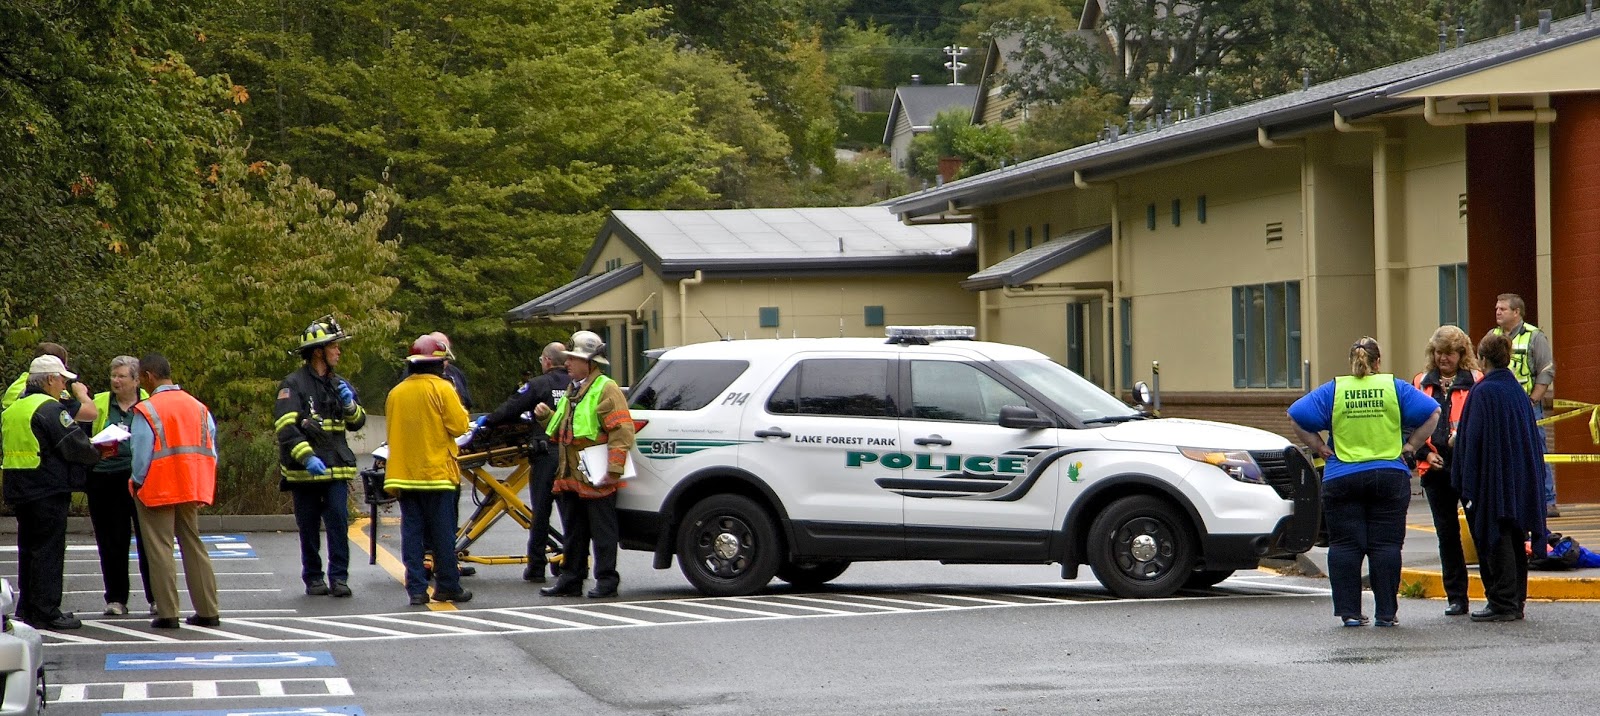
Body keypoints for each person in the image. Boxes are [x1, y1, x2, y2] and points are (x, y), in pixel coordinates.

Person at [1289, 337, 1439, 628]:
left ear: (1351, 362)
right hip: (1388, 474)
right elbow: (1433, 412)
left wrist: (1319, 446)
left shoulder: (1336, 389)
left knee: (1345, 545)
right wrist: (1411, 446)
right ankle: (1385, 613)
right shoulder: (1393, 388)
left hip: (1342, 476)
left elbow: (1296, 416)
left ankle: (1350, 613)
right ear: (1378, 362)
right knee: (1386, 546)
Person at [1454, 333, 1547, 622]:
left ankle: (1503, 600)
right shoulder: (1517, 391)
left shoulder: (1483, 392)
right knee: (1515, 535)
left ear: (1482, 359)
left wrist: (1466, 480)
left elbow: (1473, 439)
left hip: (1492, 478)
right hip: (1517, 475)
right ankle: (1515, 599)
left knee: (1496, 536)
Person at [1, 355, 100, 630]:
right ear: (49, 380)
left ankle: (29, 606)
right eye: (61, 381)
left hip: (20, 486)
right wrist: (97, 451)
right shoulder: (49, 408)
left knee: (29, 549)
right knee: (49, 550)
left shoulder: (15, 408)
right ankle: (46, 610)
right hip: (47, 486)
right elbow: (74, 444)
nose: (63, 388)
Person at [537, 331, 636, 599]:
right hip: (572, 474)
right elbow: (564, 430)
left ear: (590, 362)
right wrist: (546, 418)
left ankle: (606, 581)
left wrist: (613, 471)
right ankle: (571, 579)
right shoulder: (574, 389)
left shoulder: (606, 388)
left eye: (573, 359)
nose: (567, 363)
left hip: (596, 474)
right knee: (574, 532)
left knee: (603, 532)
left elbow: (622, 431)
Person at [274, 315, 365, 598]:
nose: (338, 351)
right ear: (318, 351)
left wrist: (349, 404)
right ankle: (314, 577)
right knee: (309, 527)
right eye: (334, 347)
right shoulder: (293, 385)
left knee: (338, 522)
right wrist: (308, 457)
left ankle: (339, 578)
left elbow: (357, 422)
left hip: (336, 470)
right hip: (305, 472)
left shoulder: (340, 383)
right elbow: (286, 428)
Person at [129, 353, 222, 629]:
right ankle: (208, 609)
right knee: (193, 544)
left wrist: (136, 480)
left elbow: (141, 453)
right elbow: (211, 448)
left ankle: (168, 612)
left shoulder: (148, 409)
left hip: (157, 485)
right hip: (191, 484)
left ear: (148, 376)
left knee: (160, 549)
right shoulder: (198, 407)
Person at [385, 335, 473, 606]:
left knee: (412, 535)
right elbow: (460, 427)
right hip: (437, 475)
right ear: (436, 364)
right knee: (442, 535)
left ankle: (416, 590)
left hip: (405, 475)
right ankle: (447, 585)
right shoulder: (443, 388)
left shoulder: (396, 393)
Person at [479, 341, 568, 583]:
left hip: (545, 455)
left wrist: (485, 422)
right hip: (572, 455)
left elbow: (510, 409)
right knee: (571, 513)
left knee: (541, 513)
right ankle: (572, 563)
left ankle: (536, 566)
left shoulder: (539, 385)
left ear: (547, 361)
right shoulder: (577, 384)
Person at [1409, 326, 1481, 617]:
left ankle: (1492, 592)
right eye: (1438, 353)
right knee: (1447, 535)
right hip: (1435, 470)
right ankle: (1456, 597)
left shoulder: (1476, 381)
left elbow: (1480, 424)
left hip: (1466, 467)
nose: (1443, 359)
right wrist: (1425, 453)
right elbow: (1409, 425)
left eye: (1449, 353)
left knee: (1480, 531)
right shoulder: (1420, 382)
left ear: (1461, 354)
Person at [87, 356, 154, 617]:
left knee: (150, 541)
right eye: (113, 375)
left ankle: (157, 598)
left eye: (122, 376)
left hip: (142, 477)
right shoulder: (100, 402)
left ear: (137, 380)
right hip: (105, 477)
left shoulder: (151, 402)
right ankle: (116, 598)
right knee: (111, 541)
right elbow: (81, 435)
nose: (115, 380)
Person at [1490, 293, 1557, 515]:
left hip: (1527, 405)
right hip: (1500, 406)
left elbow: (1546, 370)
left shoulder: (1534, 336)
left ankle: (1547, 500)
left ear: (1517, 312)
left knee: (1537, 451)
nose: (1498, 312)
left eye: (1503, 309)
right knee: (1502, 452)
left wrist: (1533, 399)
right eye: (1497, 308)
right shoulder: (1492, 336)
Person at [4, 342, 97, 424]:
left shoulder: (15, 387)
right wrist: (82, 393)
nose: (64, 386)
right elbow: (91, 414)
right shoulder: (55, 393)